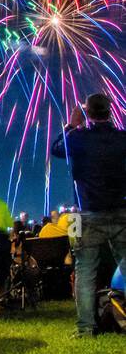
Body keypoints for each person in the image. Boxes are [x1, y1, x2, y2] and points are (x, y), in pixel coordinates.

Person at [50, 92, 126, 337]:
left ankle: (85, 328)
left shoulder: (78, 138)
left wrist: (72, 123)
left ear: (87, 113)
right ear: (110, 111)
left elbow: (55, 149)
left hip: (86, 213)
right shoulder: (122, 138)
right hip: (120, 210)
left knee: (84, 270)